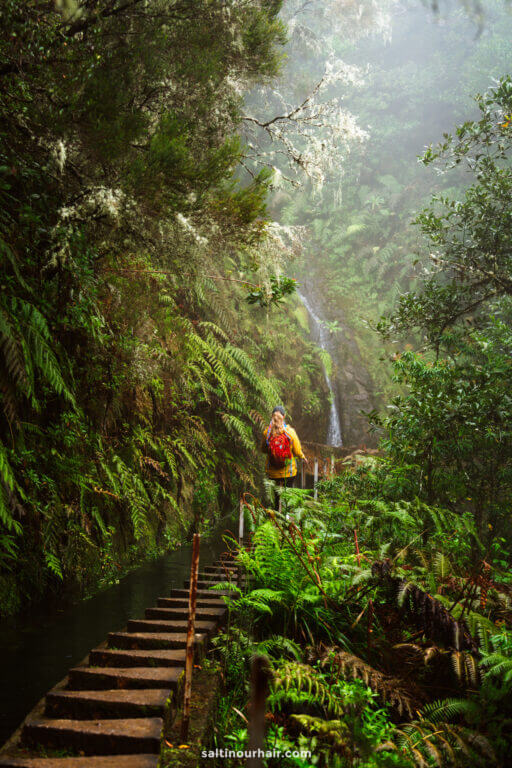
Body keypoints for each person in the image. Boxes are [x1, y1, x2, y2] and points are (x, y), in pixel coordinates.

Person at [261, 405, 308, 508]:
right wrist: (302, 457)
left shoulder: (267, 434)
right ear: (284, 416)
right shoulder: (290, 432)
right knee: (288, 494)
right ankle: (287, 515)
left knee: (277, 496)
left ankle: (277, 516)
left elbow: (263, 449)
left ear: (272, 416)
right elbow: (297, 451)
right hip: (289, 471)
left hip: (273, 473)